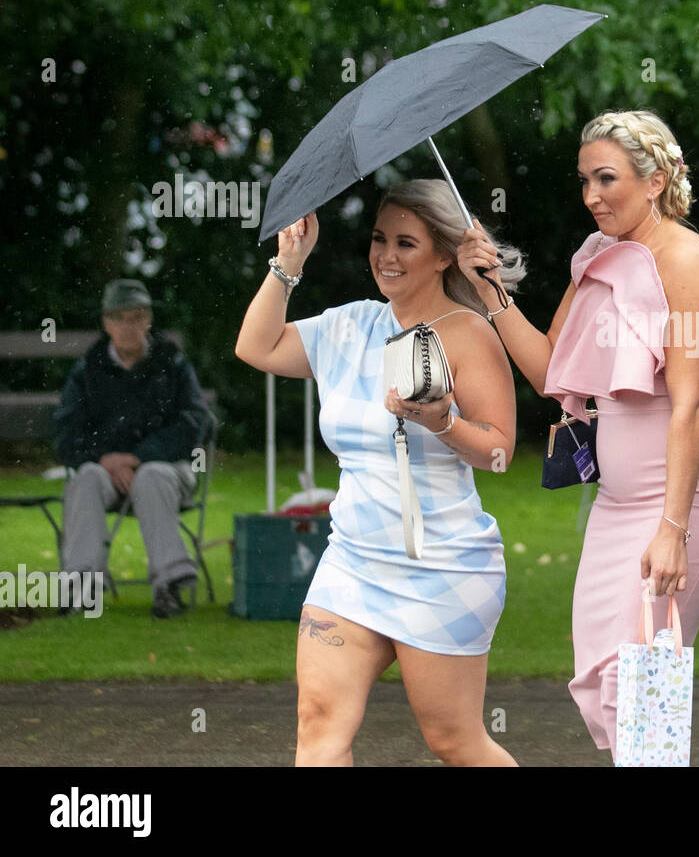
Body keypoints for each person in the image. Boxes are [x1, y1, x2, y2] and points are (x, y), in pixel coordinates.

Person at [456, 109, 699, 759]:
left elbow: (691, 402)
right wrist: (492, 292)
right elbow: (548, 369)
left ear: (656, 179)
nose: (590, 194)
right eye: (584, 180)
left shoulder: (687, 260)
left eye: (606, 178)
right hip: (616, 508)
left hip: (685, 505)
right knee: (598, 682)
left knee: (641, 689)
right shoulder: (597, 258)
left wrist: (673, 528)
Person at [235, 179, 524, 766]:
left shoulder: (469, 336)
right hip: (354, 562)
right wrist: (287, 265)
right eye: (378, 239)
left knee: (455, 742)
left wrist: (442, 422)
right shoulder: (351, 326)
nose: (386, 256)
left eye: (406, 243)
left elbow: (499, 453)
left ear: (444, 254)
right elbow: (256, 347)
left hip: (443, 564)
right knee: (318, 728)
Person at [55, 279, 210, 618]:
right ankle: (80, 586)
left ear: (149, 320)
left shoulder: (173, 364)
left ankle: (169, 586)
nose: (129, 326)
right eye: (120, 318)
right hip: (107, 472)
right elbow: (68, 431)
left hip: (167, 469)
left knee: (152, 476)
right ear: (106, 323)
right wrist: (105, 460)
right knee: (86, 478)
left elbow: (194, 422)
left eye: (137, 317)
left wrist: (140, 457)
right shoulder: (87, 369)